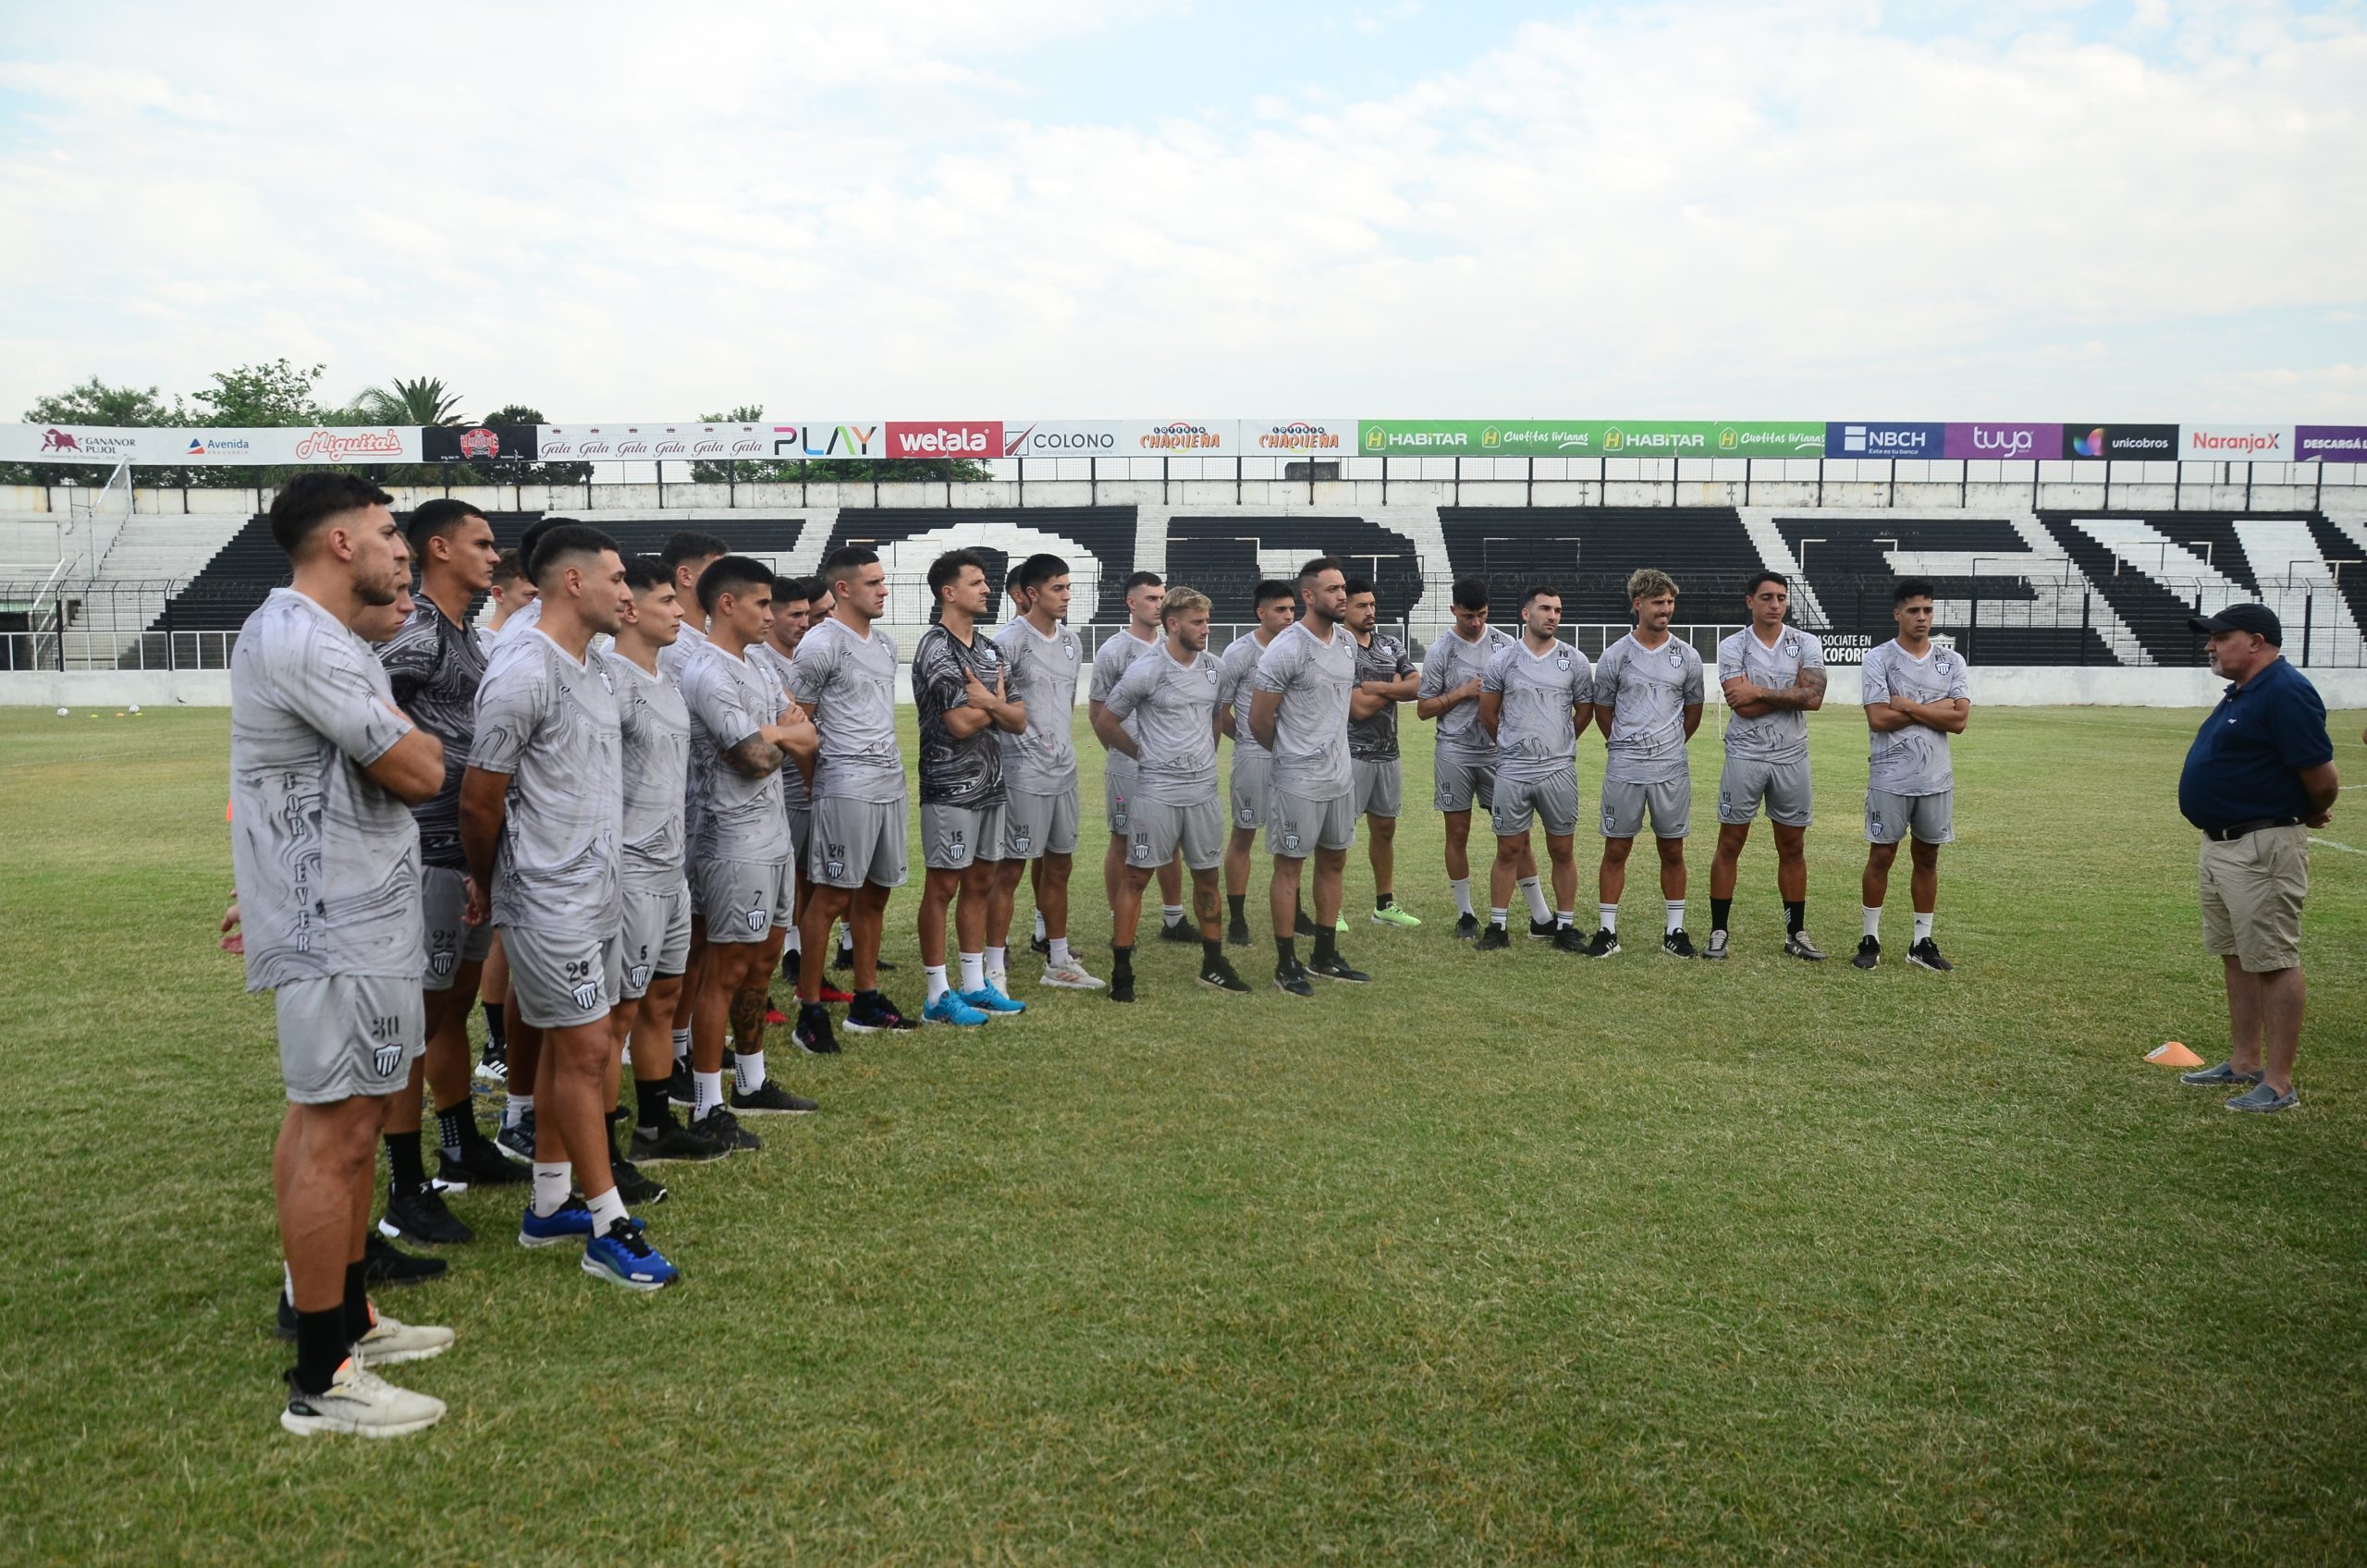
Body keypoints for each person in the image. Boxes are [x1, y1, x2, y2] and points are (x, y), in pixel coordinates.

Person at [231, 472, 453, 1436]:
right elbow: (417, 768)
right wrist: (419, 740)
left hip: (354, 912)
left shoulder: (332, 639)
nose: (402, 548)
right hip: (337, 920)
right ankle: (324, 1379)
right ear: (338, 544)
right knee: (338, 1130)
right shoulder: (302, 637)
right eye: (387, 530)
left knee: (339, 1118)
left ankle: (339, 1310)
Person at [461, 523, 680, 1290]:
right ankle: (606, 1223)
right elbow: (481, 797)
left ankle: (549, 1202)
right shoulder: (522, 668)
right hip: (547, 898)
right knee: (588, 1053)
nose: (632, 592)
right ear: (575, 583)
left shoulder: (591, 666)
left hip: (601, 889)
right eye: (619, 578)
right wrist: (489, 884)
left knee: (568, 1050)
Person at [374, 499, 522, 1259]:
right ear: (438, 549)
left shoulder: (465, 633)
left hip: (466, 850)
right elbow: (367, 718)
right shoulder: (419, 631)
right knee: (415, 1019)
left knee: (452, 1008)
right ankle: (404, 1187)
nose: (494, 556)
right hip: (425, 851)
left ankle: (460, 1143)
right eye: (482, 543)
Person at [676, 556, 818, 1147]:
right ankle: (707, 1104)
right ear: (727, 604)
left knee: (760, 965)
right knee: (723, 970)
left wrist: (781, 732)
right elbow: (755, 757)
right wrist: (784, 733)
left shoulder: (758, 661)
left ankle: (752, 1082)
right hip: (728, 842)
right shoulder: (706, 671)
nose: (772, 613)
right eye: (762, 603)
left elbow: (805, 728)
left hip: (772, 836)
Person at [2175, 604, 2338, 1112]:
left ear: (2257, 641)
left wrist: (2302, 812)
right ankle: (2245, 1060)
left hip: (2261, 846)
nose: (2210, 646)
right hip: (2223, 844)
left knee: (2273, 958)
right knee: (2238, 955)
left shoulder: (2285, 691)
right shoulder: (2245, 692)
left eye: (2221, 637)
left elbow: (2322, 778)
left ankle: (2281, 1082)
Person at [601, 557, 730, 1170]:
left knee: (661, 996)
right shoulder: (609, 682)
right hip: (627, 873)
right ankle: (604, 1150)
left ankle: (655, 1129)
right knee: (616, 1013)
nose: (681, 612)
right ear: (629, 609)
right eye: (667, 603)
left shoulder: (665, 682)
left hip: (670, 872)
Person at [788, 545, 919, 1046]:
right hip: (844, 783)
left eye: (883, 581)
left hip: (889, 782)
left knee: (877, 892)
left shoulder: (884, 643)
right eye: (873, 583)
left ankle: (865, 999)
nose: (884, 590)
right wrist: (815, 778)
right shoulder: (821, 644)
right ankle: (810, 1010)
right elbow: (798, 721)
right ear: (843, 589)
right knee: (832, 894)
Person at [1096, 587, 1250, 1000]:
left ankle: (1214, 963)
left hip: (1202, 792)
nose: (1206, 629)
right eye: (1197, 622)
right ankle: (1122, 971)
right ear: (1173, 623)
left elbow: (1217, 717)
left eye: (1207, 621)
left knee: (1207, 875)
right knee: (1136, 876)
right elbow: (1108, 720)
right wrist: (1142, 755)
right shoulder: (1146, 669)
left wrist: (1204, 759)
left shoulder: (1215, 667)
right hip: (1157, 791)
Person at [912, 549, 1030, 1025]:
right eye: (977, 582)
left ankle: (976, 984)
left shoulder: (990, 649)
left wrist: (994, 705)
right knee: (943, 886)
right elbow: (960, 724)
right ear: (949, 592)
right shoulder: (935, 647)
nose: (987, 589)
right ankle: (937, 994)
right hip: (949, 787)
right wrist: (994, 704)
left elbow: (1020, 720)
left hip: (991, 785)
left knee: (981, 882)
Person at [1248, 557, 1370, 995]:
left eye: (1344, 589)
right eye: (1334, 589)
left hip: (1340, 777)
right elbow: (1260, 720)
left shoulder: (1347, 643)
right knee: (1289, 868)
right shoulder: (1287, 647)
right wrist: (1293, 756)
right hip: (1298, 779)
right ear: (1308, 596)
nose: (1343, 595)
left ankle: (1324, 954)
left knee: (1334, 861)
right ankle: (1286, 964)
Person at [991, 555, 1105, 990]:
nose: (1067, 595)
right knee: (1011, 870)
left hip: (1064, 772)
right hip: (1023, 772)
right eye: (1058, 588)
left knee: (1059, 867)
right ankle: (994, 967)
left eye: (1068, 587)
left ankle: (1058, 960)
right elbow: (996, 707)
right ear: (1032, 593)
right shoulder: (1008, 642)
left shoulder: (1073, 642)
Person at [1707, 572, 1828, 962]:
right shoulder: (1733, 645)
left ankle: (1796, 933)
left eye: (1781, 597)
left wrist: (1758, 690)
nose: (1775, 604)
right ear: (1750, 602)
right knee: (1730, 843)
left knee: (1792, 846)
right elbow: (1739, 706)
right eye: (1767, 597)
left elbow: (1813, 697)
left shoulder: (1805, 642)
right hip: (1744, 755)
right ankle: (1719, 931)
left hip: (1792, 756)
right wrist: (1790, 694)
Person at [1587, 569, 1705, 958]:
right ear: (1638, 604)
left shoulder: (1687, 656)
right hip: (1625, 767)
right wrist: (1626, 744)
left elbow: (1693, 712)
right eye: (1658, 602)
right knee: (1616, 849)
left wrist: (1665, 746)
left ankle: (1675, 930)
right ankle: (1607, 931)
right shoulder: (1615, 655)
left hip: (1670, 768)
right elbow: (1603, 710)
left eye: (1670, 602)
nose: (1666, 609)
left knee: (1672, 850)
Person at [1854, 579, 1970, 972]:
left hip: (1935, 779)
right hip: (1890, 777)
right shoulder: (1878, 659)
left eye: (1928, 610)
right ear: (1898, 614)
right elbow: (1878, 717)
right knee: (1882, 854)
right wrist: (1934, 706)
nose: (1922, 618)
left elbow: (1960, 721)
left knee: (1928, 857)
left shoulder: (1951, 662)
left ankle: (1922, 942)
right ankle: (1870, 938)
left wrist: (1906, 703)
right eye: (1914, 610)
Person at [1417, 580, 1543, 939]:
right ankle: (1466, 914)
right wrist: (1461, 692)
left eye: (1482, 615)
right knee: (1457, 833)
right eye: (1468, 615)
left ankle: (1540, 915)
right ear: (1454, 609)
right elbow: (1424, 709)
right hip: (1455, 751)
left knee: (1518, 835)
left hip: (1497, 753)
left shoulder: (1505, 645)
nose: (1475, 623)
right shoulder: (1441, 651)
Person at [1474, 585, 1593, 952]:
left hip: (1559, 770)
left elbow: (1584, 711)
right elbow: (1488, 714)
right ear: (1526, 614)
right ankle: (1497, 926)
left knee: (1562, 850)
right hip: (1513, 769)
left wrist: (1558, 742)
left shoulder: (1574, 660)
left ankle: (1565, 926)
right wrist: (1514, 746)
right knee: (1508, 849)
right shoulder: (1502, 661)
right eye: (1545, 609)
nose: (1553, 616)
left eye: (1557, 609)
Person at [1092, 570, 1194, 946]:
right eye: (1151, 598)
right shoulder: (1114, 651)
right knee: (1122, 840)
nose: (1159, 604)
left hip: (1171, 767)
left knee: (1171, 840)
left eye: (1162, 597)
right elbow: (1098, 714)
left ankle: (1174, 919)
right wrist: (1125, 756)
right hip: (1128, 766)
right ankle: (1122, 922)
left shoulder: (1175, 647)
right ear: (1132, 603)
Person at [1216, 581, 1298, 945]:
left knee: (1295, 838)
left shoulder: (1299, 648)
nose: (1288, 616)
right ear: (1260, 612)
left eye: (1292, 609)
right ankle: (1237, 918)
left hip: (1295, 758)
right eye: (1280, 610)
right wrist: (1250, 739)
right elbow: (1220, 711)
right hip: (1254, 756)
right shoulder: (1239, 652)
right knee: (1244, 834)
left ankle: (1297, 911)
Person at [1343, 578, 1422, 928]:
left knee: (1385, 829)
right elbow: (1356, 710)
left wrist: (1375, 686)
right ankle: (1332, 908)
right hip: (1350, 754)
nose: (1370, 611)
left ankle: (1384, 905)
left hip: (1389, 754)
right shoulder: (1338, 648)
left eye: (1372, 604)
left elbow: (1418, 686)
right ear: (1343, 607)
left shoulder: (1390, 644)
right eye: (1362, 605)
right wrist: (1395, 688)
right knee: (1340, 833)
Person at [476, 548, 536, 655]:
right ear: (498, 594)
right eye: (530, 595)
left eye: (542, 597)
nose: (538, 603)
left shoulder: (543, 645)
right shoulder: (479, 651)